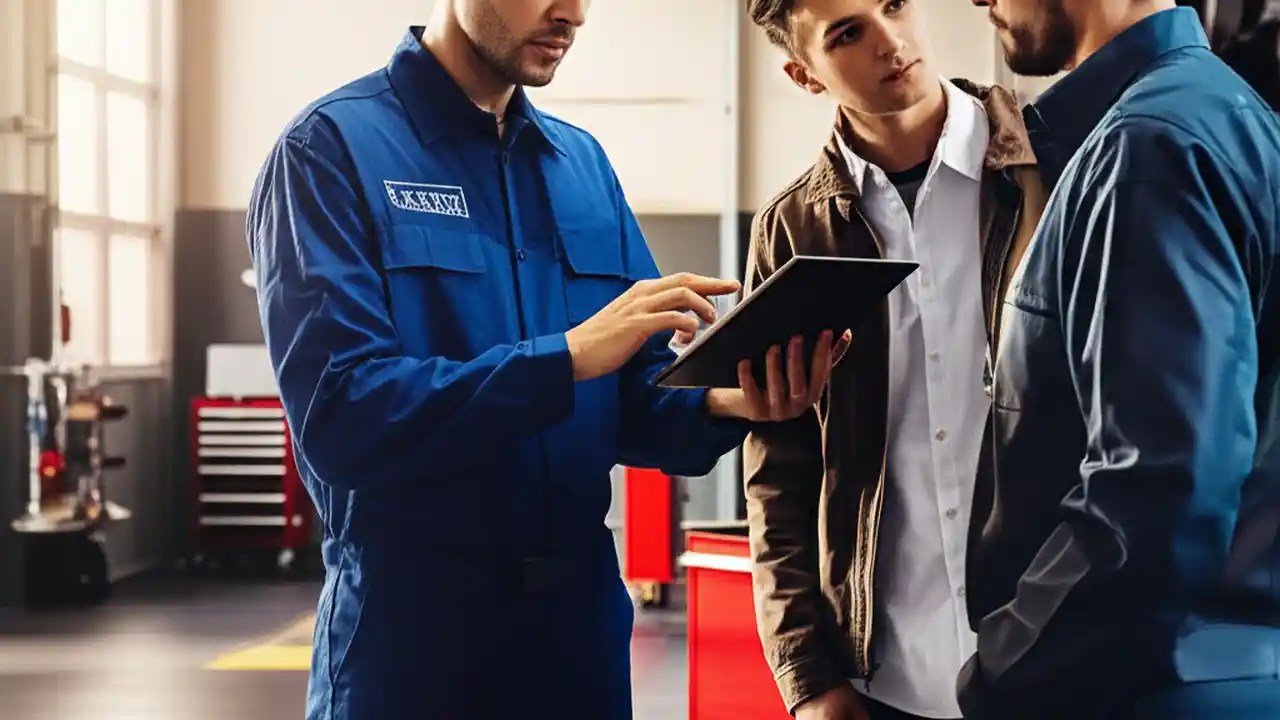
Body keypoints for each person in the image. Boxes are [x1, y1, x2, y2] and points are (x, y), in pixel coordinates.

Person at [244, 1, 843, 718]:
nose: (574, 14)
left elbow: (634, 402)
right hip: (414, 646)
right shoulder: (329, 151)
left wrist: (733, 401)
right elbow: (341, 416)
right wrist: (563, 360)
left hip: (579, 643)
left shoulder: (581, 166)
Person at [961, 1, 1280, 718]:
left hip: (1148, 683)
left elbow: (1163, 484)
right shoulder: (1226, 114)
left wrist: (1006, 670)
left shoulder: (1148, 147)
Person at [741, 1, 1045, 719]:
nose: (891, 41)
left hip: (1053, 656)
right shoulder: (793, 232)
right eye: (847, 34)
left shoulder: (1051, 166)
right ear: (804, 74)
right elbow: (779, 467)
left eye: (893, 5)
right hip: (888, 680)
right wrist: (806, 672)